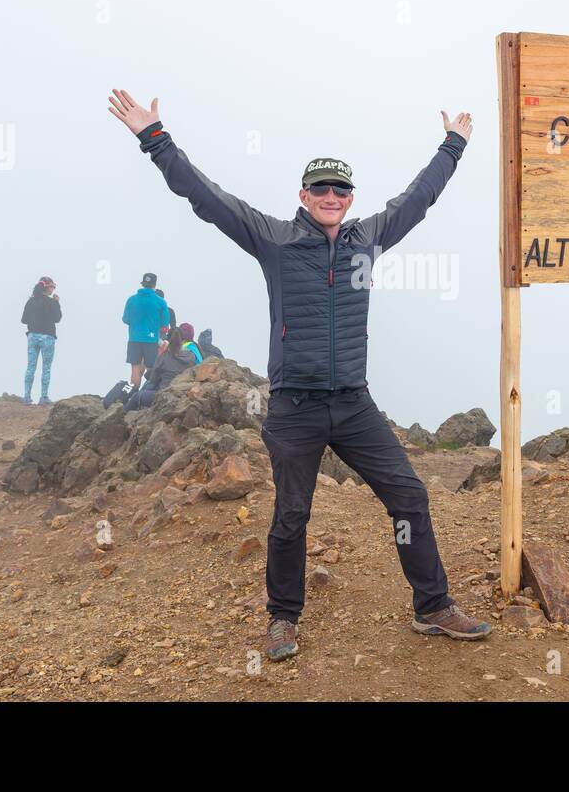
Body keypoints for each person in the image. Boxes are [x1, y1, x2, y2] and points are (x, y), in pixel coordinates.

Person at [108, 88, 489, 662]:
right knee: (292, 514)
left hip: (355, 404)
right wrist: (154, 138)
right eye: (321, 189)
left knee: (409, 496)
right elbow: (207, 198)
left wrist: (453, 145)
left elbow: (419, 198)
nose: (331, 197)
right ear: (304, 196)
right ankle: (282, 618)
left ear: (350, 197)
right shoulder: (275, 241)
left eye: (340, 189)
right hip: (293, 407)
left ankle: (432, 607)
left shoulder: (368, 241)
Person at [125, 323, 198, 410]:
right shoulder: (191, 356)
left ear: (168, 340)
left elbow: (153, 378)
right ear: (182, 340)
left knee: (137, 396)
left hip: (165, 396)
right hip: (184, 394)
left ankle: (122, 417)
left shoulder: (164, 357)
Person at [122, 272, 170, 389]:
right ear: (154, 285)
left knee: (135, 370)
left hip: (134, 339)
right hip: (151, 340)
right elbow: (164, 325)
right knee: (151, 370)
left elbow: (125, 319)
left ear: (143, 284)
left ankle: (133, 395)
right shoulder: (161, 302)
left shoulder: (131, 300)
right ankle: (149, 397)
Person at [21, 276, 61, 405]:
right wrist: (57, 303)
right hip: (47, 337)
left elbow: (24, 320)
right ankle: (43, 397)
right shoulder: (52, 302)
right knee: (46, 368)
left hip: (33, 336)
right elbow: (57, 318)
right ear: (47, 287)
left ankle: (26, 397)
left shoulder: (31, 301)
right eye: (52, 287)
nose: (53, 289)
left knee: (30, 367)